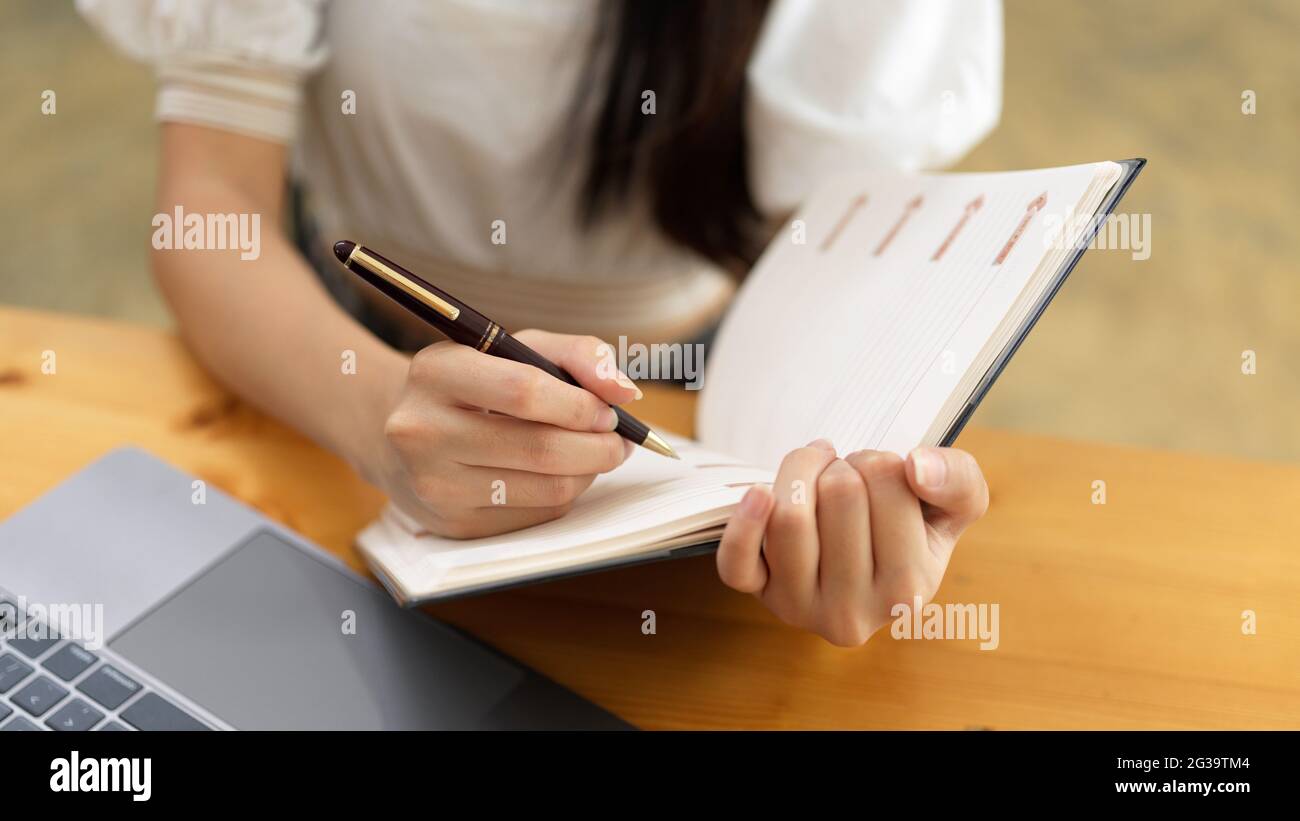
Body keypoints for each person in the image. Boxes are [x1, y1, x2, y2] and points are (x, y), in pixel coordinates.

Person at [79, 0, 1001, 646]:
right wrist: (376, 410)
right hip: (341, 351)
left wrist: (868, 496)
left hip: (715, 376)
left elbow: (860, 256)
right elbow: (210, 207)